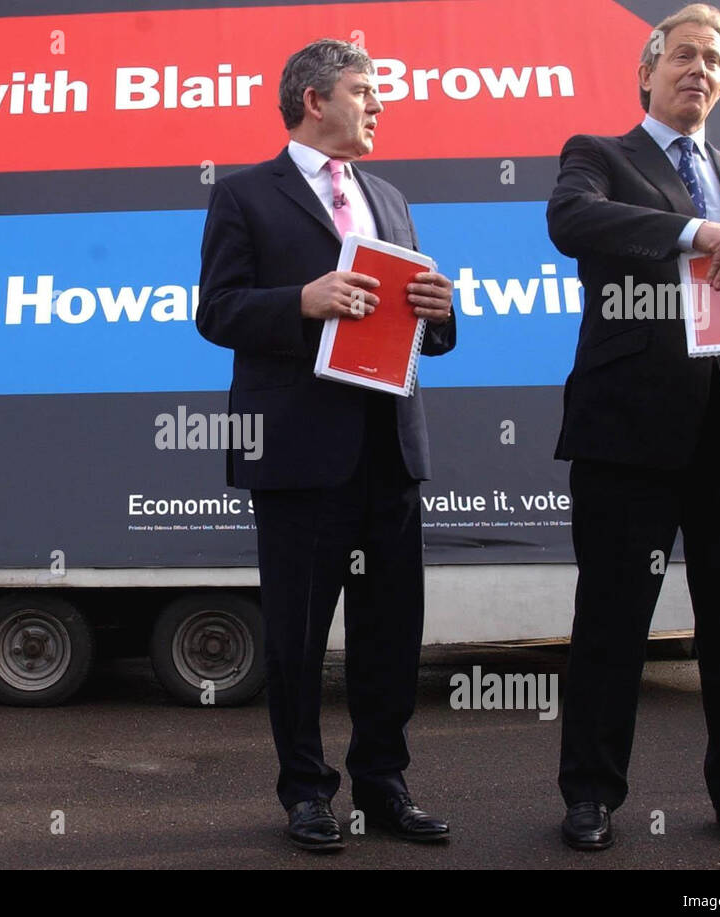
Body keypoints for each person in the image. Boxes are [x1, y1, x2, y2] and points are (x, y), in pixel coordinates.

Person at [546, 3, 720, 852]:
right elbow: (572, 222)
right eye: (684, 55)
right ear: (647, 72)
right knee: (612, 623)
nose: (700, 69)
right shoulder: (599, 156)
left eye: (715, 61)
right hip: (629, 433)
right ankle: (591, 796)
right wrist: (694, 231)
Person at [195, 38, 457, 851]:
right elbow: (217, 311)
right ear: (314, 100)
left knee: (391, 633)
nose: (378, 105)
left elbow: (426, 330)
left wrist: (441, 309)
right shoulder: (244, 195)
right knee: (298, 639)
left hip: (391, 452)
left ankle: (384, 783)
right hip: (300, 456)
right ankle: (306, 792)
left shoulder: (390, 197)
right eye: (364, 90)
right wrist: (300, 301)